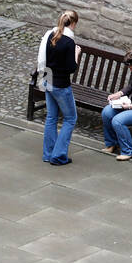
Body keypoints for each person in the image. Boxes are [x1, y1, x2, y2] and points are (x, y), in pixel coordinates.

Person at [40, 9, 80, 167]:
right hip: (60, 85)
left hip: (48, 79)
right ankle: (58, 156)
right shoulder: (69, 42)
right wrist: (76, 54)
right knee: (70, 119)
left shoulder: (52, 35)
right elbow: (71, 68)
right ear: (74, 23)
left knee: (51, 117)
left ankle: (48, 153)